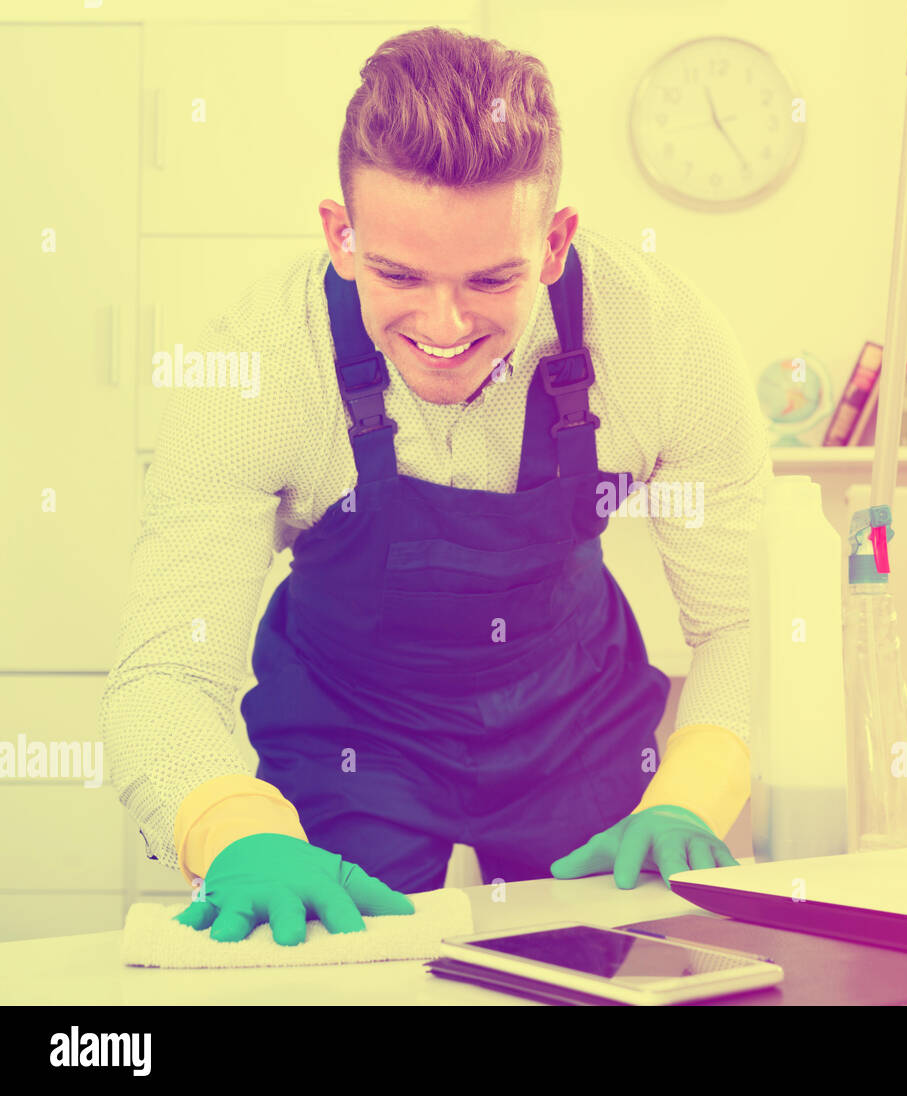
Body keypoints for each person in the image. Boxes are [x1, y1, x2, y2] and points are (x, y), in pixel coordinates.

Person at [99, 25, 771, 946]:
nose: (444, 325)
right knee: (337, 976)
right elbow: (166, 669)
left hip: (577, 729)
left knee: (628, 972)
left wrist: (695, 795)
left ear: (554, 242)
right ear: (341, 235)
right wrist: (228, 829)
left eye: (492, 278)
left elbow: (731, 623)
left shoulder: (666, 343)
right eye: (399, 274)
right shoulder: (254, 368)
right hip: (348, 736)